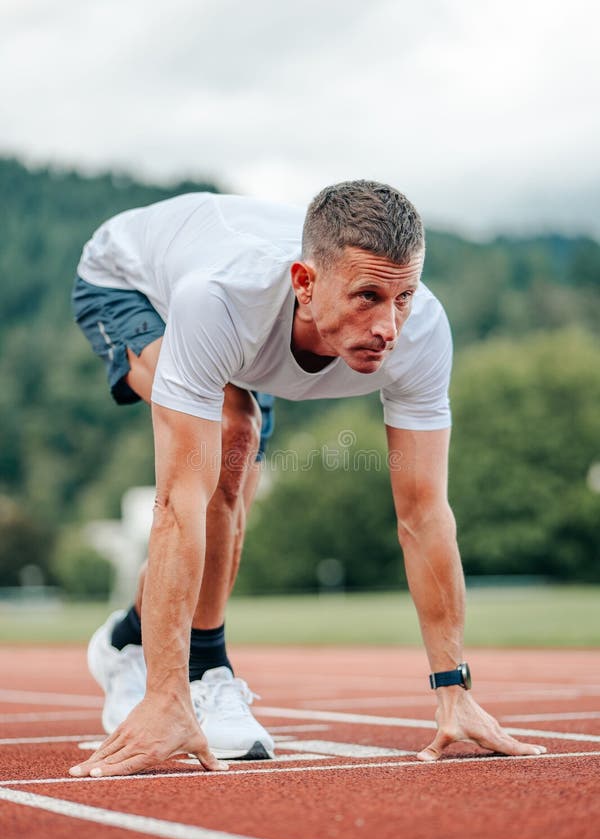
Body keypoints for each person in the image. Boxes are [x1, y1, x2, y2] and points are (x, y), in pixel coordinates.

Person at [68, 181, 546, 778]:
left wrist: (454, 689)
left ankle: (126, 639)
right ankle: (200, 671)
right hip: (131, 281)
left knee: (237, 484)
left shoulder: (420, 331)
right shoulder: (220, 299)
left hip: (241, 321)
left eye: (403, 297)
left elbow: (424, 513)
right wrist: (165, 695)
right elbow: (176, 503)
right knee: (230, 433)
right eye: (367, 296)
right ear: (305, 283)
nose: (388, 327)